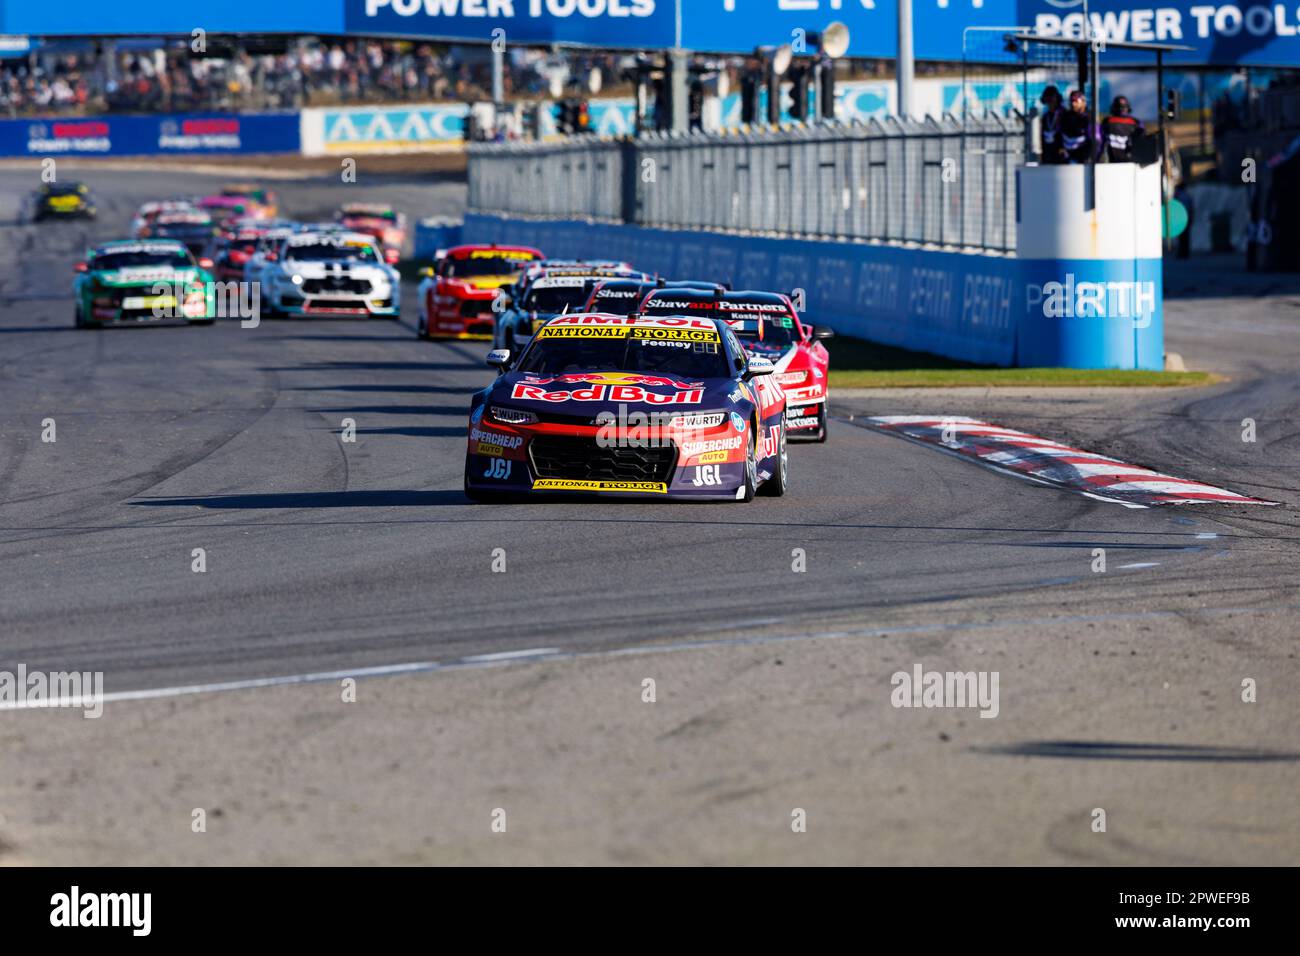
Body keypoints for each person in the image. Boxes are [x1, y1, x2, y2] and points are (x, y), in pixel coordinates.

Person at [1060, 89, 1098, 164]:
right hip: (1068, 159)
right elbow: (1061, 138)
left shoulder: (1089, 117)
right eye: (1071, 101)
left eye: (1076, 101)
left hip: (1084, 161)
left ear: (1083, 102)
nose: (1073, 104)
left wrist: (1087, 157)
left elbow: (1095, 140)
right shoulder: (1065, 117)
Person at [1102, 95, 1144, 162]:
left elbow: (1142, 141)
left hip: (1131, 162)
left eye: (1124, 107)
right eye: (1119, 107)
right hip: (1112, 162)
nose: (1121, 109)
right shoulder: (1107, 121)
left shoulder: (1136, 122)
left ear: (1128, 107)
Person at [1039, 85, 1066, 164]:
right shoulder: (1045, 117)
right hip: (1048, 154)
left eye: (1052, 99)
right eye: (1048, 100)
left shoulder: (1064, 114)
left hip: (1061, 154)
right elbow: (1043, 137)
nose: (1050, 103)